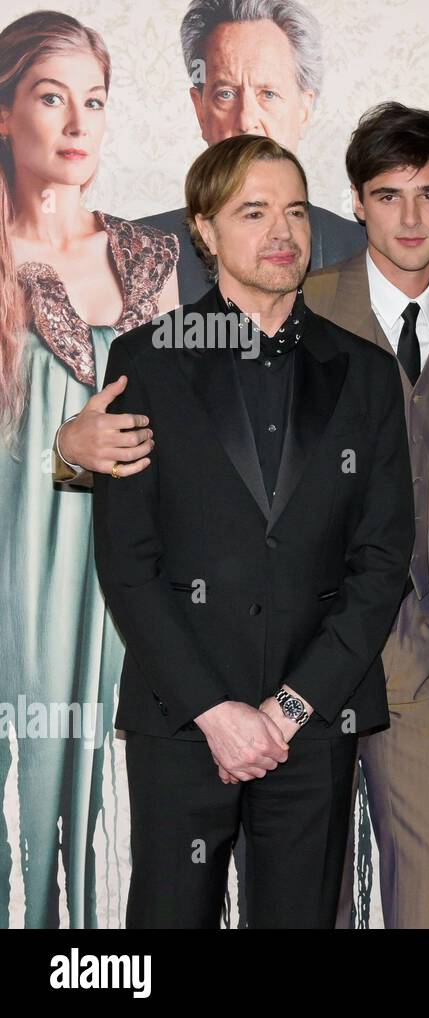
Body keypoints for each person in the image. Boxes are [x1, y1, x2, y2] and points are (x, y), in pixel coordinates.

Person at [91, 134, 413, 928]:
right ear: (204, 229)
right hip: (183, 718)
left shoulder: (366, 373)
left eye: (297, 210)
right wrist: (216, 712)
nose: (283, 232)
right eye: (255, 211)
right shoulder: (146, 360)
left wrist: (291, 709)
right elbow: (127, 563)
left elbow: (381, 563)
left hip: (314, 718)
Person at [303, 101, 429, 929]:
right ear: (356, 201)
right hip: (304, 642)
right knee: (299, 883)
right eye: (389, 196)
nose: (412, 216)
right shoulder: (303, 306)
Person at [0, 10, 179, 928]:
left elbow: (185, 437)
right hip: (19, 581)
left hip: (134, 580)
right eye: (50, 97)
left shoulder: (151, 259)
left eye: (94, 102)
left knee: (130, 808)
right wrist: (59, 454)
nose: (76, 124)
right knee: (22, 798)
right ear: (4, 113)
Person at [136, 0, 365, 304]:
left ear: (305, 109)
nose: (246, 119)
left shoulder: (361, 250)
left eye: (268, 93)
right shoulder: (140, 251)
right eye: (225, 94)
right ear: (200, 110)